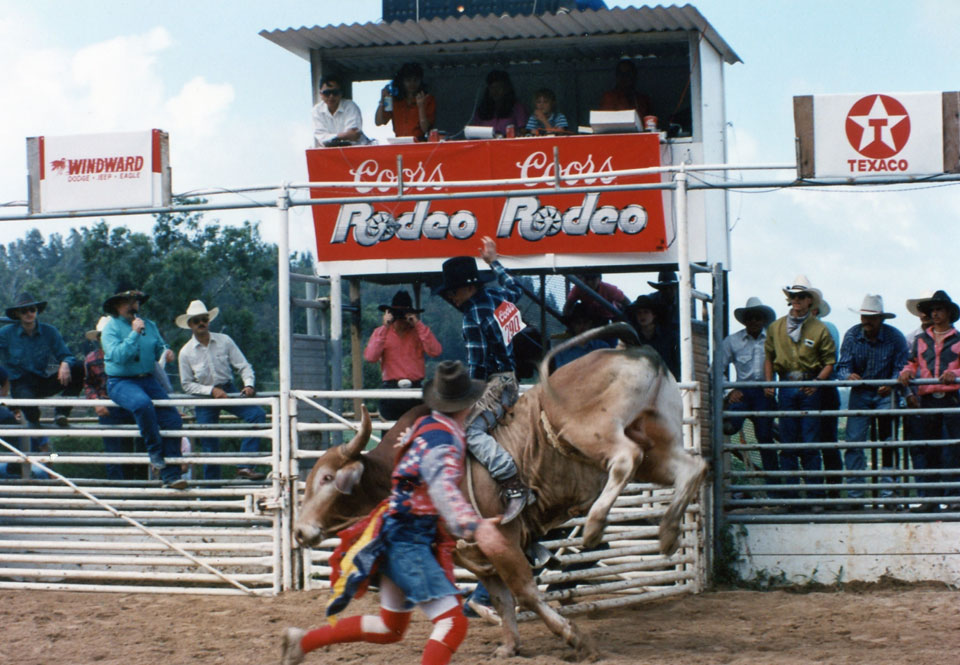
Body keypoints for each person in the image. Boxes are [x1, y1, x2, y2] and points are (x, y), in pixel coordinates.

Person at [280, 360, 506, 665]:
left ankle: (303, 641)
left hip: (390, 533)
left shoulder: (424, 427)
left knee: (390, 627)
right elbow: (443, 489)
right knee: (452, 622)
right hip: (409, 541)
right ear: (467, 406)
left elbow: (415, 478)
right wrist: (474, 526)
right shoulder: (446, 441)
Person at [432, 236, 535, 524]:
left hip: (496, 383)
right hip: (511, 378)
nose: (451, 297)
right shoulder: (497, 297)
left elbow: (477, 368)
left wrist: (467, 398)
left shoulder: (471, 317)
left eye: (453, 291)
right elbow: (516, 288)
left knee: (468, 431)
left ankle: (512, 483)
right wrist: (494, 262)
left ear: (468, 286)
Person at [100, 282, 186, 490]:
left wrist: (166, 351)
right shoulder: (110, 329)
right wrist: (134, 334)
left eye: (136, 301)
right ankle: (154, 453)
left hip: (147, 379)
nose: (133, 305)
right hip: (120, 381)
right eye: (128, 301)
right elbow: (118, 357)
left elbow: (159, 345)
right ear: (117, 305)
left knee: (173, 420)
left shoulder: (150, 325)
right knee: (142, 404)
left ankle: (171, 475)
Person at [764, 275, 836, 505]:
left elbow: (829, 361)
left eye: (802, 296)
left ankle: (815, 497)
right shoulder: (775, 328)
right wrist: (769, 384)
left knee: (809, 442)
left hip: (808, 387)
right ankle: (791, 498)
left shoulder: (819, 329)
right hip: (785, 384)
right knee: (787, 443)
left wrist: (816, 382)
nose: (797, 300)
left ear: (809, 301)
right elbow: (769, 356)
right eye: (794, 296)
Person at [176, 300, 267, 482]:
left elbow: (244, 366)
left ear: (209, 321)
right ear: (190, 325)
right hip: (204, 397)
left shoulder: (224, 341)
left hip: (228, 389)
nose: (201, 323)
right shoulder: (186, 352)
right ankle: (212, 493)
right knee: (210, 445)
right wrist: (211, 390)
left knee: (257, 415)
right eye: (196, 320)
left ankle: (245, 465)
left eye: (204, 319)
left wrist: (248, 384)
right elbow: (186, 384)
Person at [835, 295, 909, 508]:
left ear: (881, 319)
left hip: (886, 394)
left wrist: (893, 383)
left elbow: (902, 365)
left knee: (889, 442)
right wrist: (849, 376)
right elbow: (843, 366)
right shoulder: (852, 335)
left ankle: (888, 494)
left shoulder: (895, 338)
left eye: (871, 318)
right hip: (861, 392)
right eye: (864, 317)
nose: (866, 321)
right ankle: (855, 495)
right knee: (854, 441)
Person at [897, 290, 960, 512]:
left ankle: (954, 496)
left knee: (953, 448)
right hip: (928, 398)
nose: (935, 313)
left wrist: (956, 373)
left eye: (939, 309)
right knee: (929, 447)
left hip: (951, 398)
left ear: (949, 313)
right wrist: (906, 371)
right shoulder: (921, 340)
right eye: (932, 310)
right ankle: (931, 498)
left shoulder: (958, 338)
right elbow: (912, 362)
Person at [720, 297, 780, 493]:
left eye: (757, 317)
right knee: (728, 426)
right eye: (750, 317)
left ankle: (775, 491)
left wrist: (772, 385)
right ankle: (725, 484)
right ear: (744, 320)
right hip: (742, 391)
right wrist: (730, 390)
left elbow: (783, 364)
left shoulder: (773, 340)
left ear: (763, 320)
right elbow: (717, 368)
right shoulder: (733, 341)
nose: (753, 321)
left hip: (764, 392)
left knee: (765, 439)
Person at [0, 292, 84, 427]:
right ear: (17, 314)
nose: (29, 313)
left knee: (79, 368)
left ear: (37, 311)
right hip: (21, 384)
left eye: (32, 309)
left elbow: (66, 354)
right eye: (24, 310)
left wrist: (65, 363)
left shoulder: (49, 331)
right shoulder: (6, 333)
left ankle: (61, 412)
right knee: (31, 411)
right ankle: (34, 424)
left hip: (42, 380)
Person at [363, 290, 442, 421]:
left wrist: (417, 324)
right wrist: (385, 327)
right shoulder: (381, 333)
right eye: (397, 314)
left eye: (404, 314)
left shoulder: (420, 333)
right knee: (390, 434)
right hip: (391, 389)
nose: (400, 318)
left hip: (415, 389)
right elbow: (370, 357)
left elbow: (436, 351)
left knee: (418, 432)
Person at [84, 316, 140, 482]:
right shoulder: (91, 359)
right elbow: (88, 384)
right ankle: (117, 490)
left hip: (128, 403)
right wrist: (96, 402)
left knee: (130, 450)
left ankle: (134, 490)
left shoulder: (126, 354)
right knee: (112, 451)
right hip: (107, 407)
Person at [812, 296, 843, 501]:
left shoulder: (828, 329)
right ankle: (820, 491)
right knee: (813, 442)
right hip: (815, 388)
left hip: (823, 389)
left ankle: (830, 492)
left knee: (826, 441)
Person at [375, 62, 436, 141]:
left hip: (419, 142)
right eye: (408, 80)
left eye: (415, 80)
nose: (412, 84)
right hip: (399, 142)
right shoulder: (394, 100)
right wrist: (382, 101)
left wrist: (421, 107)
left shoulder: (428, 99)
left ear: (420, 81)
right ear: (402, 82)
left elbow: (425, 129)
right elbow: (379, 122)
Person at [550, 301, 615, 372]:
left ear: (591, 324)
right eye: (578, 323)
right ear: (573, 325)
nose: (582, 327)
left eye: (585, 322)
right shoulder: (561, 350)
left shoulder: (602, 347)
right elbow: (560, 375)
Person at [627, 294, 679, 380]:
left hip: (665, 380)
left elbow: (675, 364)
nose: (642, 316)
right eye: (639, 313)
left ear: (654, 315)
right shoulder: (632, 338)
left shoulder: (668, 337)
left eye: (646, 312)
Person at [312, 74, 370, 148]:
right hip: (331, 152)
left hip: (357, 149)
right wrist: (344, 135)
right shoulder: (316, 111)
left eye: (335, 93)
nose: (331, 96)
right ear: (321, 94)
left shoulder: (350, 106)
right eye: (327, 93)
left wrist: (332, 138)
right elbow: (321, 137)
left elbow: (354, 136)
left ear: (341, 93)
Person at [470, 69, 528, 137]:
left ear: (506, 88)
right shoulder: (481, 110)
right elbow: (475, 133)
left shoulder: (517, 108)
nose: (495, 91)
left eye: (499, 87)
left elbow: (523, 132)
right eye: (492, 88)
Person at [563, 272, 628, 327]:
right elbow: (568, 305)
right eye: (587, 279)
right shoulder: (578, 288)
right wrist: (567, 322)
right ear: (583, 280)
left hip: (610, 315)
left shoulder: (609, 288)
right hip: (591, 316)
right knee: (579, 308)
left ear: (599, 279)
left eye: (593, 279)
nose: (590, 282)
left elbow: (626, 301)